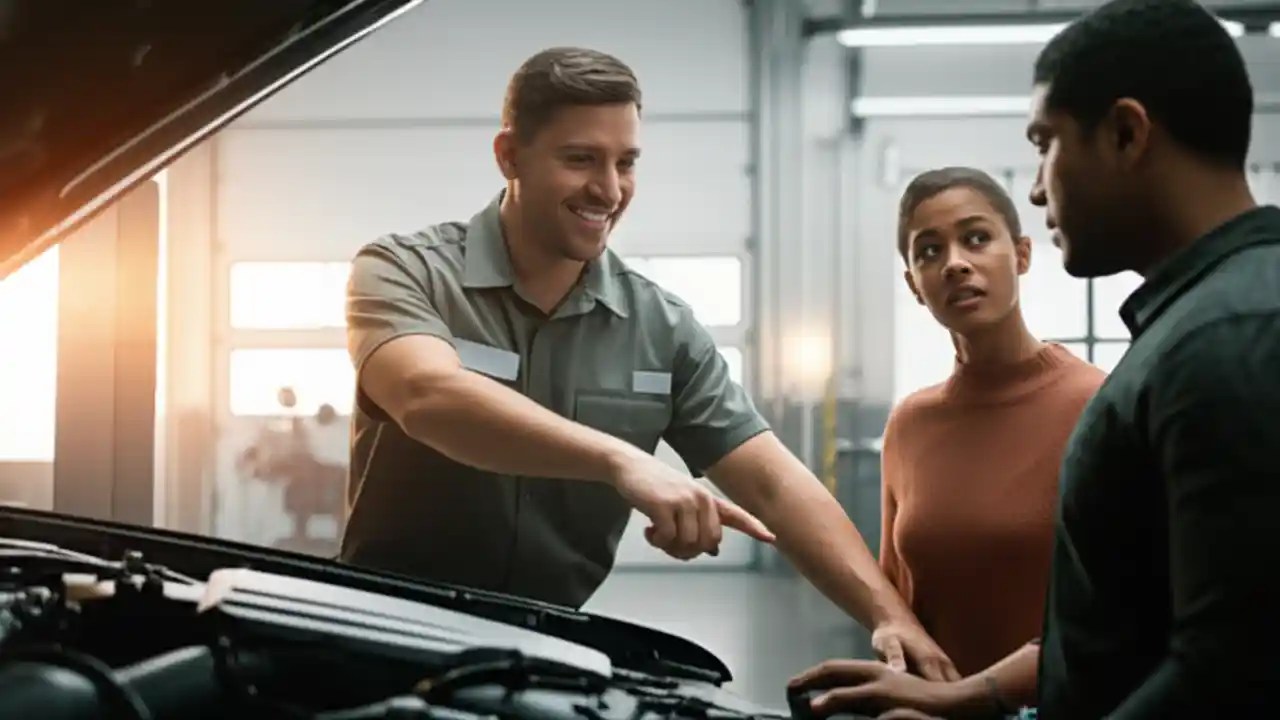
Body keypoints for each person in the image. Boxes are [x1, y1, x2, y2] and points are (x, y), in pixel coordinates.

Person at [340, 46, 957, 679]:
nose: (609, 190)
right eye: (580, 159)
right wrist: (622, 461)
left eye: (626, 162)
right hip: (381, 644)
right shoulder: (404, 270)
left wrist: (889, 616)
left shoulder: (661, 329)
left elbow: (773, 482)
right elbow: (426, 394)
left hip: (543, 656)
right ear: (509, 156)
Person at [1025, 1, 1280, 717]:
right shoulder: (1199, 321)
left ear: (1126, 133)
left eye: (1045, 143)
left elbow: (1232, 675)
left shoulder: (1227, 336)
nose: (1038, 187)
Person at [787, 168, 1105, 718]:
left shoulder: (1101, 404)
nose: (955, 261)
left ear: (1023, 255)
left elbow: (1126, 618)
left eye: (976, 238)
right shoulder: (910, 425)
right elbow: (900, 605)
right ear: (914, 284)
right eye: (929, 251)